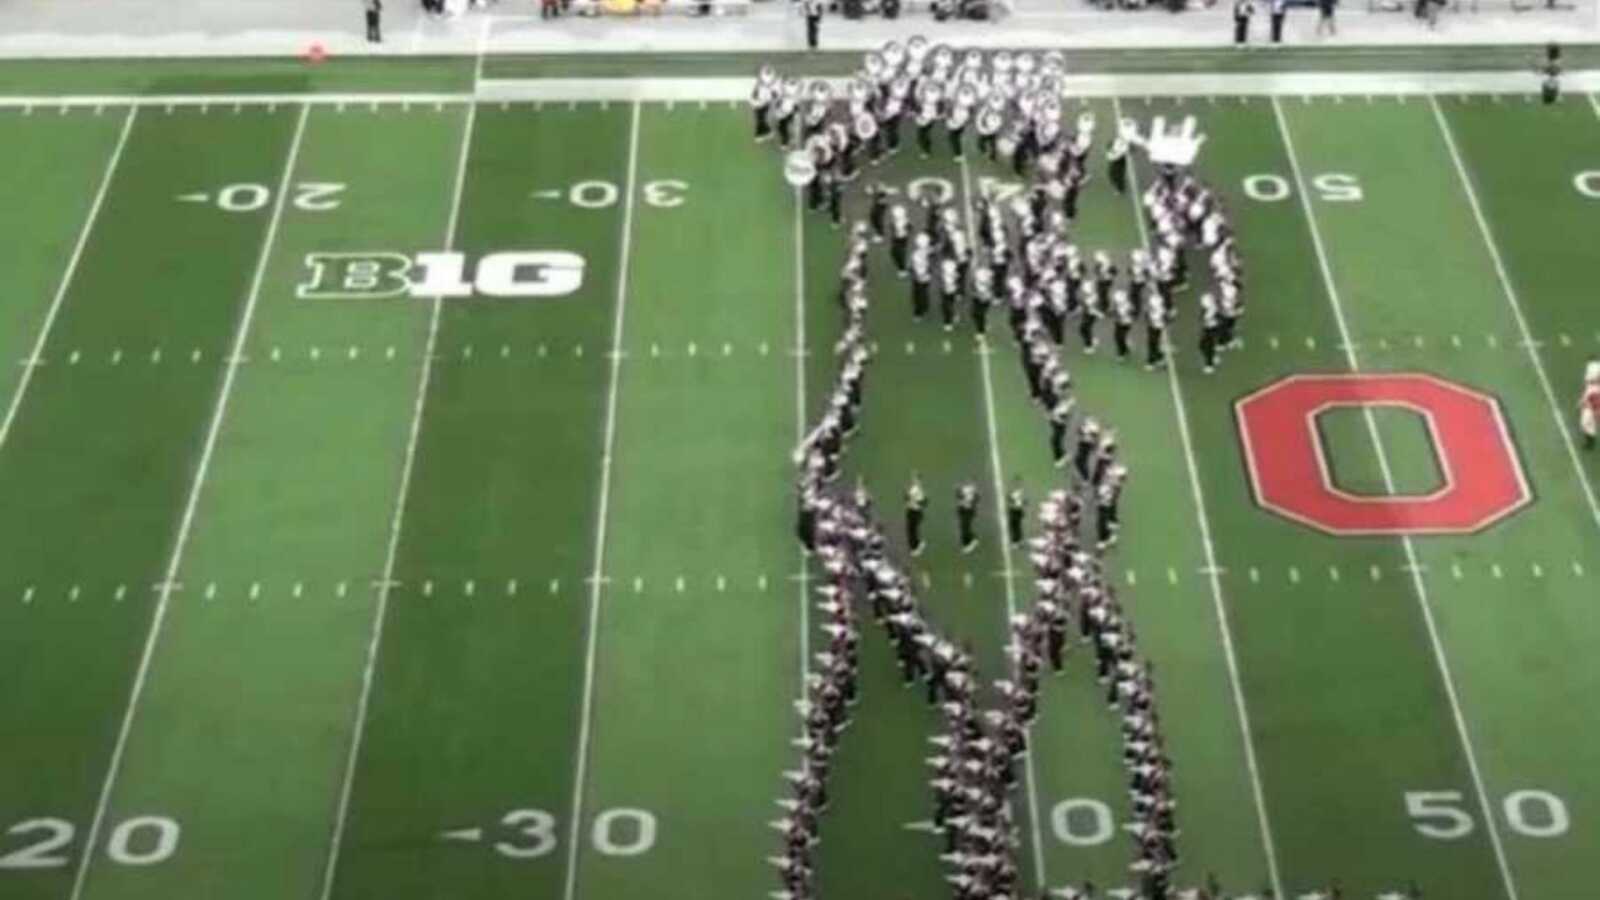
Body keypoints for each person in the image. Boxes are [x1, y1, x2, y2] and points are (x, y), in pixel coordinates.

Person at [907, 474, 929, 554]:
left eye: (915, 479)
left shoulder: (915, 489)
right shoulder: (917, 489)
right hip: (915, 511)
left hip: (914, 512)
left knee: (912, 530)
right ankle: (916, 545)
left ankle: (915, 547)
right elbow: (924, 502)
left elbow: (922, 502)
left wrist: (913, 501)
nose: (913, 480)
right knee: (913, 530)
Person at [1581, 361, 1600, 450]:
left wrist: (1596, 411)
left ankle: (1590, 442)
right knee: (1586, 424)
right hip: (1590, 408)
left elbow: (1594, 400)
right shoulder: (1591, 387)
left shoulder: (1595, 389)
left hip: (1592, 409)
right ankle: (1590, 441)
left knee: (1587, 424)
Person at [956, 483, 980, 553]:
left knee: (965, 527)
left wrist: (968, 502)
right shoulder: (965, 491)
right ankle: (973, 539)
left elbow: (975, 500)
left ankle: (968, 544)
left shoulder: (971, 496)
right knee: (964, 526)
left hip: (968, 511)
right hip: (964, 510)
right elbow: (959, 495)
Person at [1005, 481, 1025, 546]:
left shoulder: (1016, 495)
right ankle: (1017, 541)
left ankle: (1016, 541)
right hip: (1016, 512)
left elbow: (1013, 502)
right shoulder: (1018, 494)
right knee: (1015, 527)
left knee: (1015, 527)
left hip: (1016, 512)